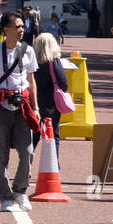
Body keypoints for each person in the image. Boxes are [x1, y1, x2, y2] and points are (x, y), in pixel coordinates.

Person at [0, 12, 40, 213]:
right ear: (6, 29)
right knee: (1, 154)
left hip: (22, 105)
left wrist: (36, 107)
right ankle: (5, 196)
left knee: (27, 151)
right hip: (0, 107)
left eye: (23, 26)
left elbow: (31, 81)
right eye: (18, 26)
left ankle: (20, 191)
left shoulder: (28, 51)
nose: (22, 30)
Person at [32, 31, 69, 161]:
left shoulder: (32, 62)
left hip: (34, 101)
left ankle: (27, 164)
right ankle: (53, 164)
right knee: (54, 133)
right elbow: (63, 83)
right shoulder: (54, 62)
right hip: (51, 102)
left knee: (34, 133)